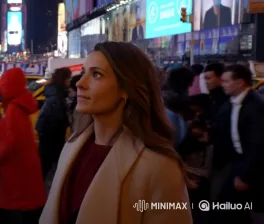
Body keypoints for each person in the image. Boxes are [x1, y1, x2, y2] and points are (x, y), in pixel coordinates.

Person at [40, 42, 192, 223]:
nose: (80, 83)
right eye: (83, 73)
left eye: (96, 74)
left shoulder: (159, 166)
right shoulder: (72, 146)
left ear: (126, 88)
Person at [0, 68, 45, 224]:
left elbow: (11, 143)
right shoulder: (17, 105)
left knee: (9, 208)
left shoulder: (13, 109)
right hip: (23, 167)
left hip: (16, 170)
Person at [210, 64, 264, 224]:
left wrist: (243, 175)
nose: (222, 84)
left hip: (248, 168)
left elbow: (257, 144)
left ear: (240, 83)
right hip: (234, 163)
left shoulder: (255, 107)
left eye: (226, 81)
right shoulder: (233, 101)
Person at [36, 67, 72, 179]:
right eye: (69, 79)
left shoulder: (56, 95)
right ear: (64, 80)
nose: (70, 82)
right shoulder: (56, 98)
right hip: (51, 138)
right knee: (46, 166)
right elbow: (55, 120)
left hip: (51, 138)